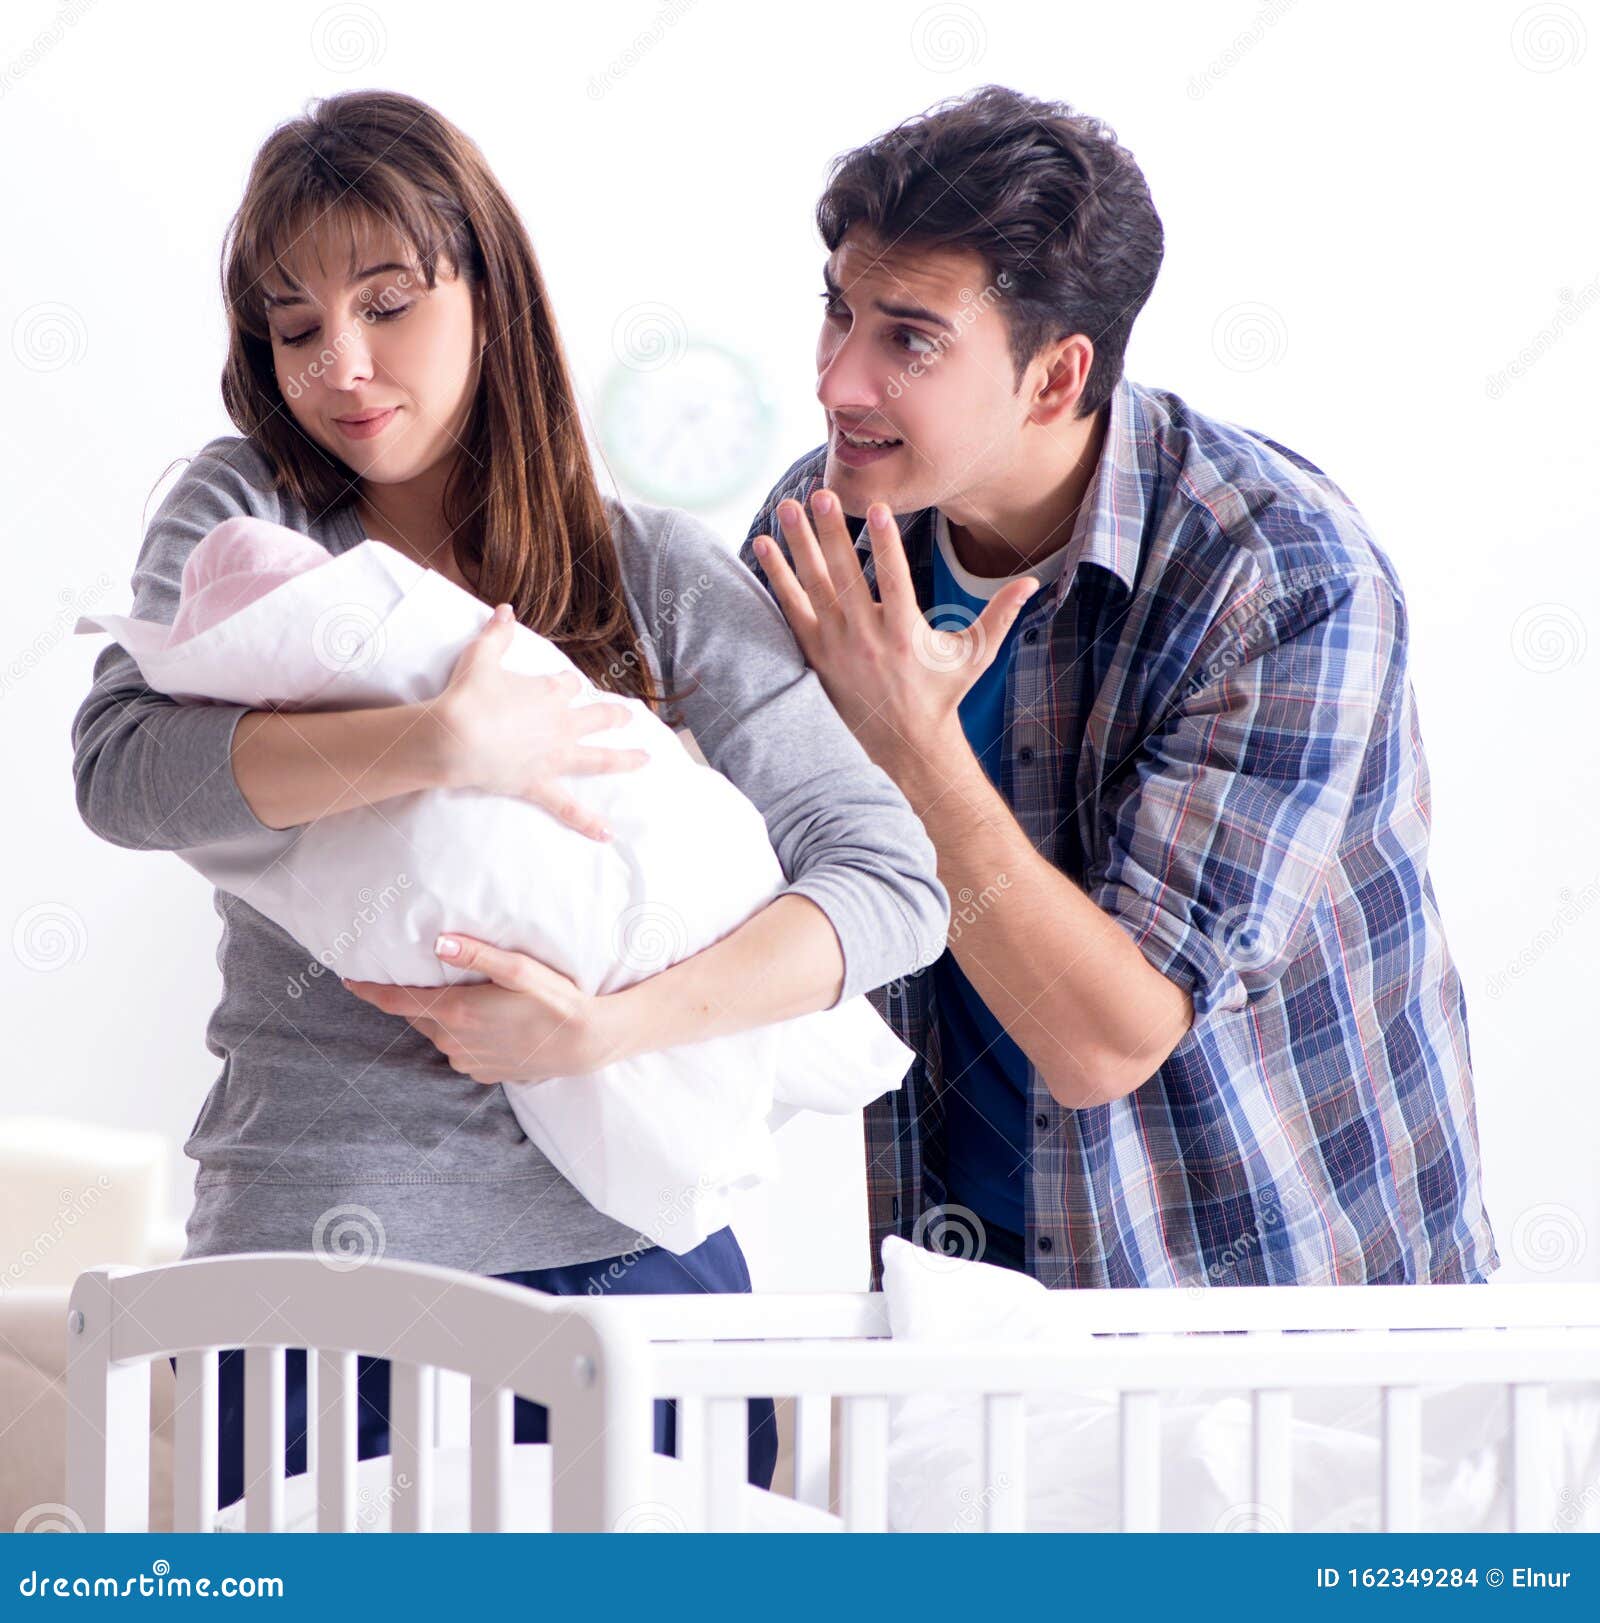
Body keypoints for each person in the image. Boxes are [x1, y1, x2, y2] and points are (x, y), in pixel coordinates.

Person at [71, 90, 948, 1507]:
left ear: (491, 292)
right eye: (295, 328)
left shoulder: (653, 575)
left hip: (628, 1267)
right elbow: (120, 774)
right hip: (310, 1261)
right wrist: (437, 742)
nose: (342, 366)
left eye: (388, 304)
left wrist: (599, 1030)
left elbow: (891, 888)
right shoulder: (251, 526)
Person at [741, 85, 1499, 1291]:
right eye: (838, 312)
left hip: (1280, 1302)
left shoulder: (1279, 577)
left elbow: (1106, 1041)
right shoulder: (823, 528)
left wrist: (908, 742)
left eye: (908, 340)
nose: (838, 380)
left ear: (1055, 378)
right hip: (965, 1279)